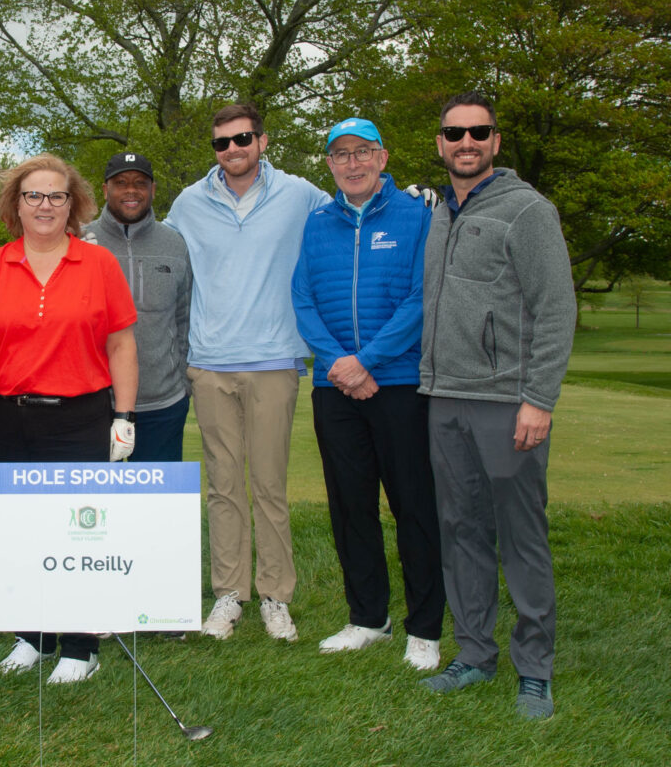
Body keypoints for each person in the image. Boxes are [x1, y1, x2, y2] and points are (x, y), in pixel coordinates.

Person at [417, 92, 576, 720]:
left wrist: (538, 400)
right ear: (440, 143)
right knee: (461, 532)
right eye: (455, 133)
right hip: (444, 398)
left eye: (478, 132)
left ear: (495, 141)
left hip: (507, 402)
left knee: (521, 537)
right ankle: (475, 653)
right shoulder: (437, 214)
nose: (466, 143)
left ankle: (534, 670)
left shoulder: (528, 211)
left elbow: (557, 309)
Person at [0, 153, 138, 684]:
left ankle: (80, 646)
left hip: (80, 417)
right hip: (9, 418)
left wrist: (123, 416)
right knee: (21, 533)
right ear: (16, 204)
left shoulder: (98, 263)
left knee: (76, 536)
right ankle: (33, 636)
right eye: (32, 195)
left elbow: (123, 344)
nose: (44, 205)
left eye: (56, 195)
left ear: (73, 204)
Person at [165, 102, 329, 642]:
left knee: (269, 487)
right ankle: (229, 596)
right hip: (209, 366)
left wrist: (412, 202)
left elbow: (353, 213)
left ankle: (275, 596)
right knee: (224, 486)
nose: (232, 149)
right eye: (222, 143)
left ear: (262, 140)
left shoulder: (301, 195)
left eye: (242, 139)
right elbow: (153, 250)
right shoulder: (190, 202)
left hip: (275, 363)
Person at [291, 118, 444, 671]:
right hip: (335, 387)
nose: (352, 164)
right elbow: (303, 298)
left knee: (413, 506)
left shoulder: (417, 215)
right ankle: (367, 617)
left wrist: (367, 361)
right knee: (350, 505)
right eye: (340, 155)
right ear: (329, 164)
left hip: (399, 382)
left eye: (362, 153)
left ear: (381, 156)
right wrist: (339, 364)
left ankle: (424, 628)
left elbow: (422, 298)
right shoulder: (317, 223)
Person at [83, 152, 191, 462]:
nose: (131, 191)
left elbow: (184, 317)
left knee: (156, 506)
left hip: (163, 404)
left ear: (153, 189)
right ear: (105, 190)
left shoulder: (174, 244)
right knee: (99, 505)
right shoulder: (78, 241)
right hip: (95, 405)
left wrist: (182, 382)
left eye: (140, 183)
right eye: (121, 183)